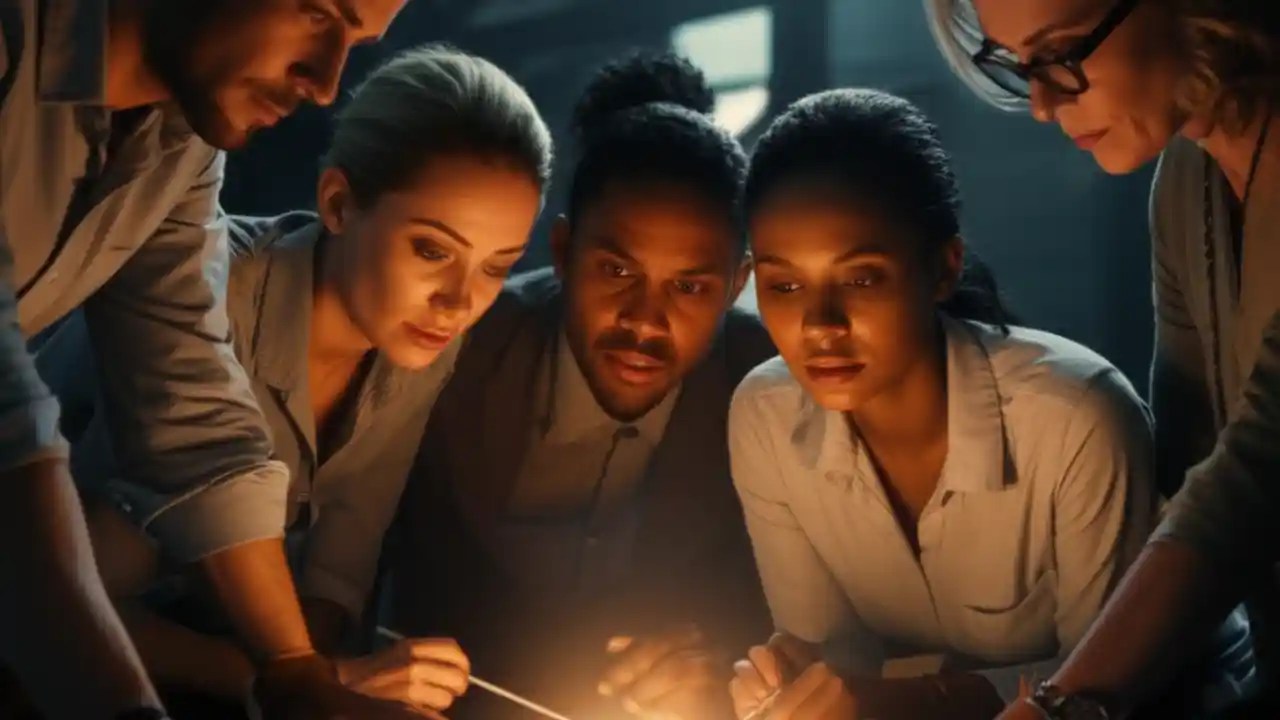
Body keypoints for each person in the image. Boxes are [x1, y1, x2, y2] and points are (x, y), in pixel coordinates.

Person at [37, 44, 552, 718]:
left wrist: (337, 678)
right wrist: (314, 680)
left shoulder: (419, 340)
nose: (460, 301)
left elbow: (342, 559)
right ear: (338, 203)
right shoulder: (201, 304)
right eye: (432, 250)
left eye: (495, 267)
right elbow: (66, 598)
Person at [0, 1, 423, 718]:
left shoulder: (179, 149)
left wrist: (295, 672)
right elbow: (10, 426)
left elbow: (191, 403)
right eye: (319, 13)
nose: (325, 82)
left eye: (356, 41)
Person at [724, 88, 1158, 720]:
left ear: (943, 268)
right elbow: (833, 661)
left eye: (861, 278)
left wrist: (911, 700)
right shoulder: (766, 416)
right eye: (785, 285)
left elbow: (1106, 684)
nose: (819, 325)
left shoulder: (1074, 418)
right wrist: (791, 686)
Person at [388, 51, 775, 720]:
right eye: (617, 272)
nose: (645, 320)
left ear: (737, 284)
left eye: (689, 287)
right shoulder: (459, 349)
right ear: (564, 253)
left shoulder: (763, 392)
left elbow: (780, 612)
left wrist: (721, 669)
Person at [925, 0, 1279, 716]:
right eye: (1019, 65)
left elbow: (1253, 476)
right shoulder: (1186, 178)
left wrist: (1060, 704)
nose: (1042, 104)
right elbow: (1187, 464)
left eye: (1061, 52)